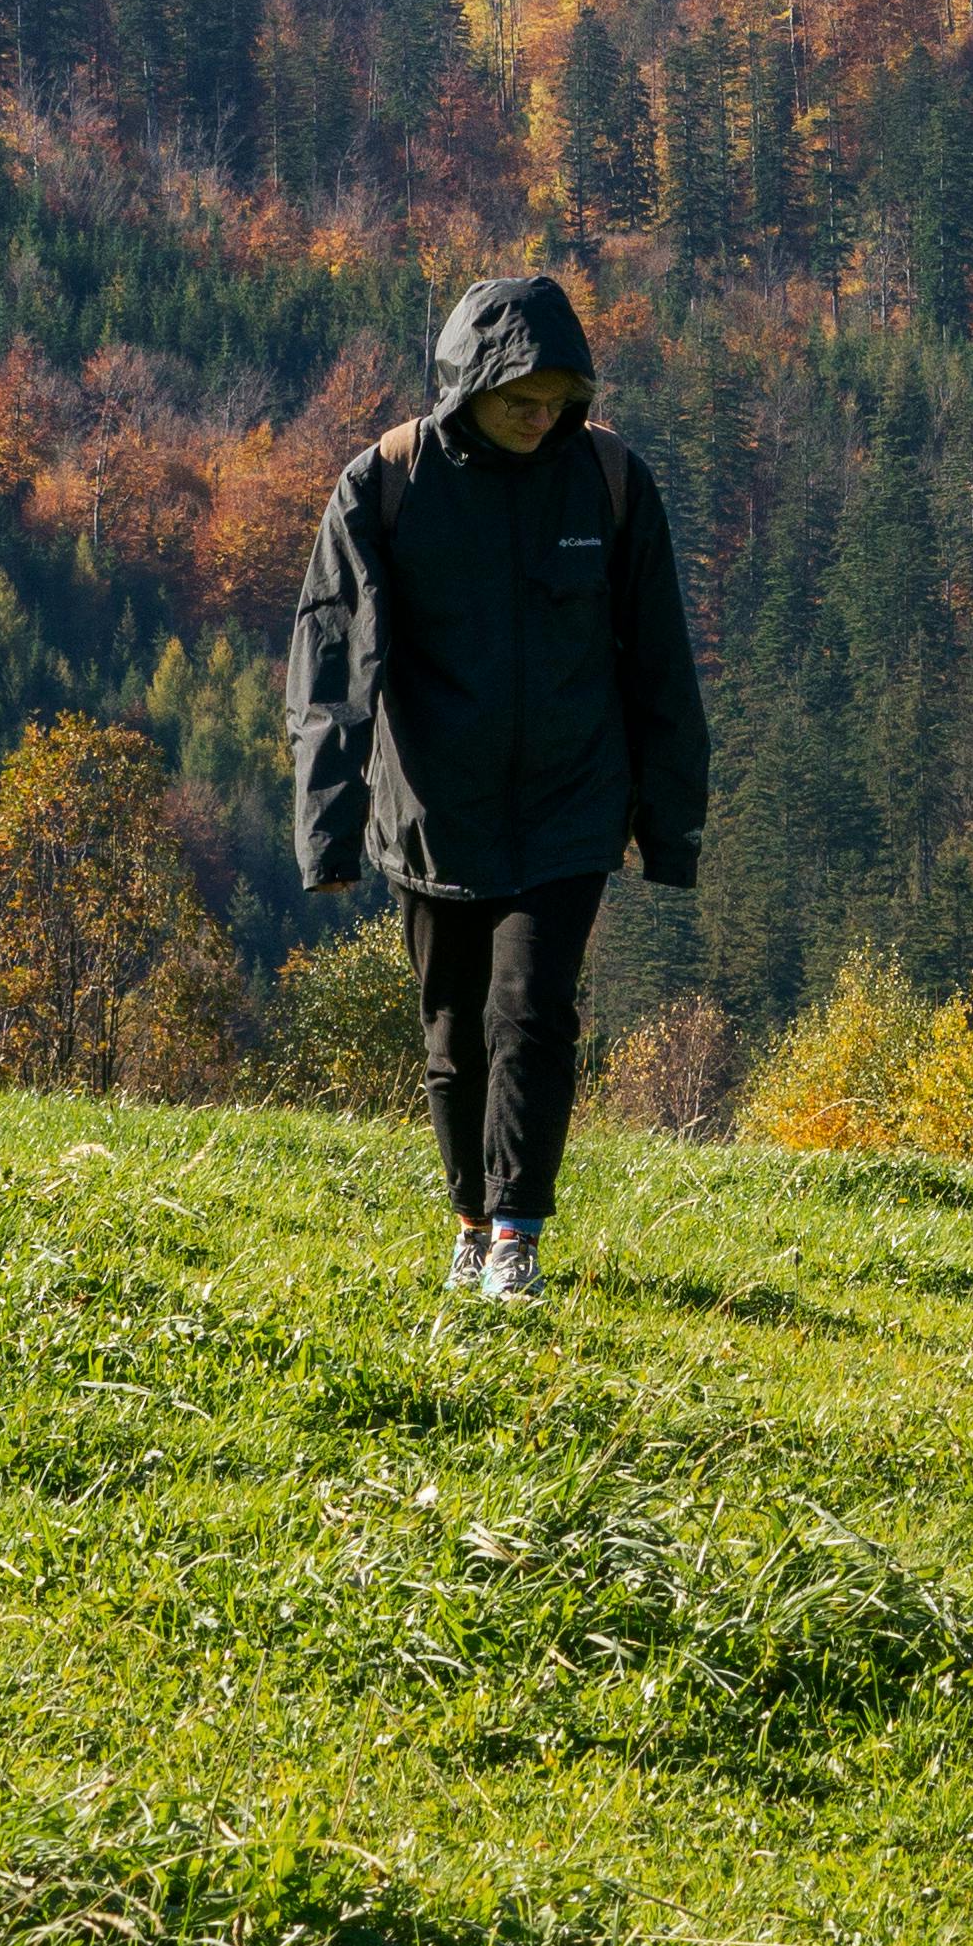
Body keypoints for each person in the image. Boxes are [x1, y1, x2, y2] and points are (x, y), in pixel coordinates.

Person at [288, 276, 707, 1301]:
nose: (541, 417)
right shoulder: (386, 483)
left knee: (531, 1011)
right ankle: (471, 1222)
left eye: (559, 400)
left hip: (571, 805)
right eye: (521, 399)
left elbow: (660, 658)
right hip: (433, 809)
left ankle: (517, 1233)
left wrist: (669, 823)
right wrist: (329, 831)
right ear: (466, 386)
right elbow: (333, 668)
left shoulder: (609, 481)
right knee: (452, 1027)